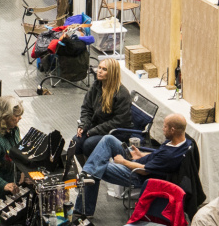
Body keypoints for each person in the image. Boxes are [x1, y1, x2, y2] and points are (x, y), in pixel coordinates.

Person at [77, 114, 190, 217]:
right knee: (108, 139)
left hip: (138, 174)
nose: (162, 129)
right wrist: (141, 154)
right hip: (139, 161)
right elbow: (157, 154)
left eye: (165, 127)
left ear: (173, 129)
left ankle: (85, 209)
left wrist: (123, 161)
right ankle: (87, 176)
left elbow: (144, 171)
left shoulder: (170, 155)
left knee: (98, 167)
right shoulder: (180, 141)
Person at [73, 58, 131, 219]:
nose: (99, 71)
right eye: (99, 67)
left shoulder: (122, 94)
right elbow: (86, 108)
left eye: (104, 69)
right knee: (76, 143)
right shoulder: (96, 86)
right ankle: (88, 172)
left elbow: (120, 122)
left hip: (113, 133)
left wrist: (93, 131)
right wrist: (84, 125)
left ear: (111, 72)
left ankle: (89, 174)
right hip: (94, 128)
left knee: (89, 145)